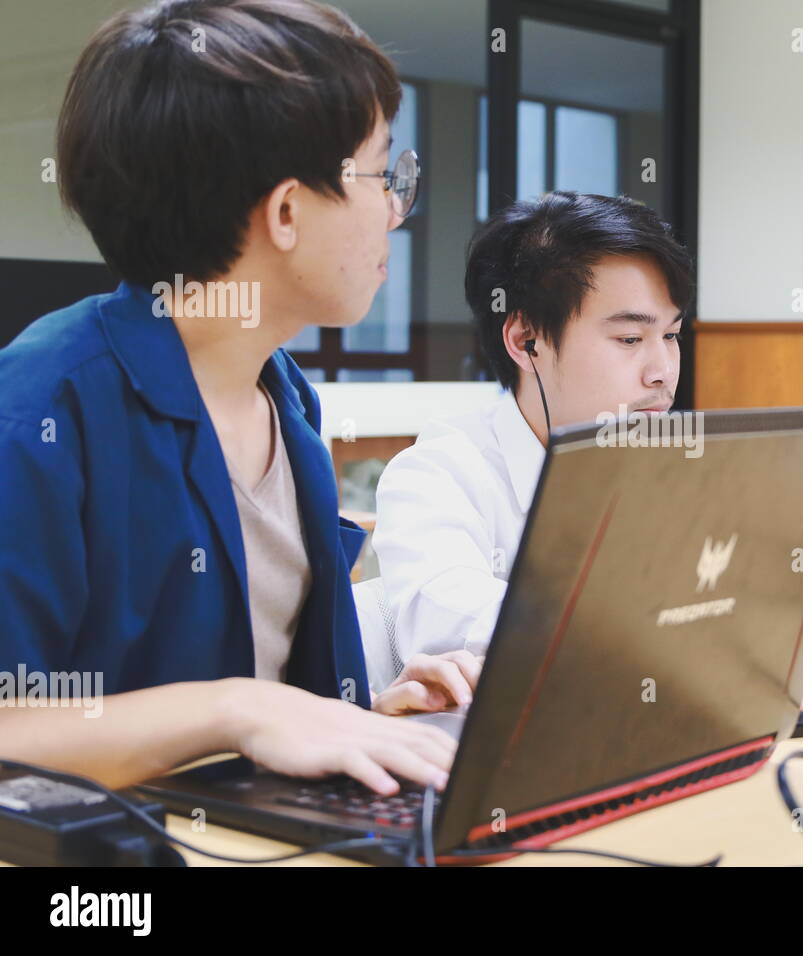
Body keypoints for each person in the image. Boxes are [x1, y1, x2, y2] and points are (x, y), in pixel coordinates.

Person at [0, 0, 473, 795]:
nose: (395, 209)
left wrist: (362, 724)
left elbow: (266, 696)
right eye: (381, 174)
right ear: (287, 211)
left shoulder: (283, 397)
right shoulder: (41, 410)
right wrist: (236, 711)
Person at [372, 192, 803, 706]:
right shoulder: (441, 473)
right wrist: (672, 633)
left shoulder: (673, 452)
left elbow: (777, 578)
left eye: (672, 335)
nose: (663, 372)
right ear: (526, 341)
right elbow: (448, 619)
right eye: (631, 340)